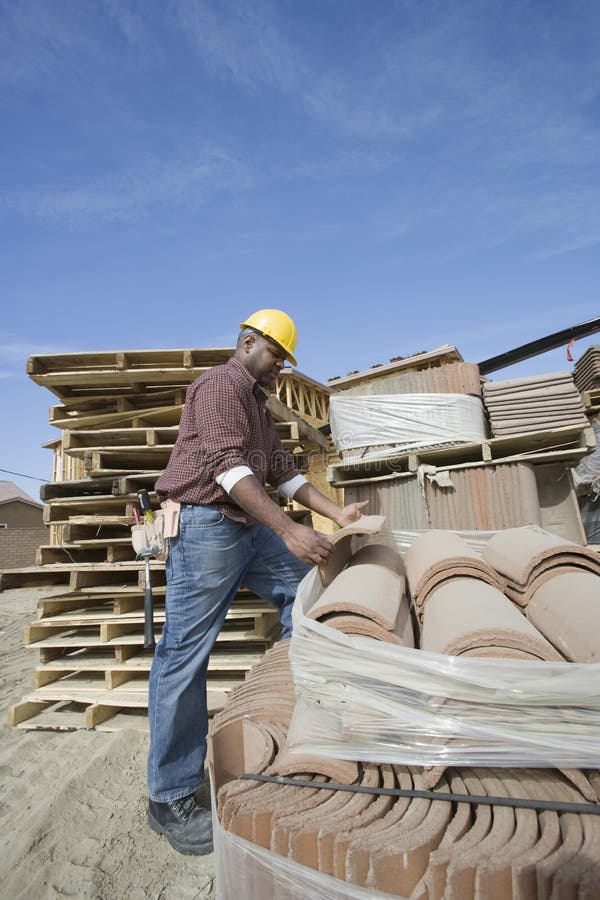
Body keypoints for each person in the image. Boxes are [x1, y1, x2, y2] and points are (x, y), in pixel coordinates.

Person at [146, 308, 368, 855]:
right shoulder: (220, 386)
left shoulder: (257, 403)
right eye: (274, 356)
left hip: (245, 525)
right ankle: (168, 794)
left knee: (310, 593)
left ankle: (286, 709)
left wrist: (336, 514)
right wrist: (289, 530)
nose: (279, 368)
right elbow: (229, 470)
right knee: (183, 656)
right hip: (205, 529)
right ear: (248, 343)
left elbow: (282, 470)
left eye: (284, 361)